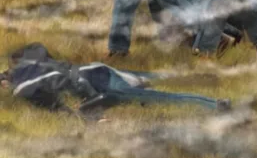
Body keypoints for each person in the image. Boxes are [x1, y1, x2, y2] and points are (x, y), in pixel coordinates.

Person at [0, 43, 230, 113]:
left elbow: (59, 108)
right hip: (95, 69)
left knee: (161, 97)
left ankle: (215, 105)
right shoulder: (32, 59)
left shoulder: (24, 88)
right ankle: (210, 75)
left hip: (97, 83)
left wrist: (89, 113)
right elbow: (40, 50)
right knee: (159, 79)